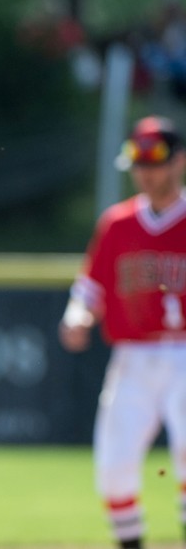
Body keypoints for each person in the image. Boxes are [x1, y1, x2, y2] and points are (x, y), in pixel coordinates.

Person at [58, 115, 186, 549]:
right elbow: (89, 289)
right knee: (114, 467)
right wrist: (78, 315)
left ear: (179, 161)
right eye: (140, 164)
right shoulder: (117, 223)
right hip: (131, 357)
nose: (148, 172)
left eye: (157, 162)